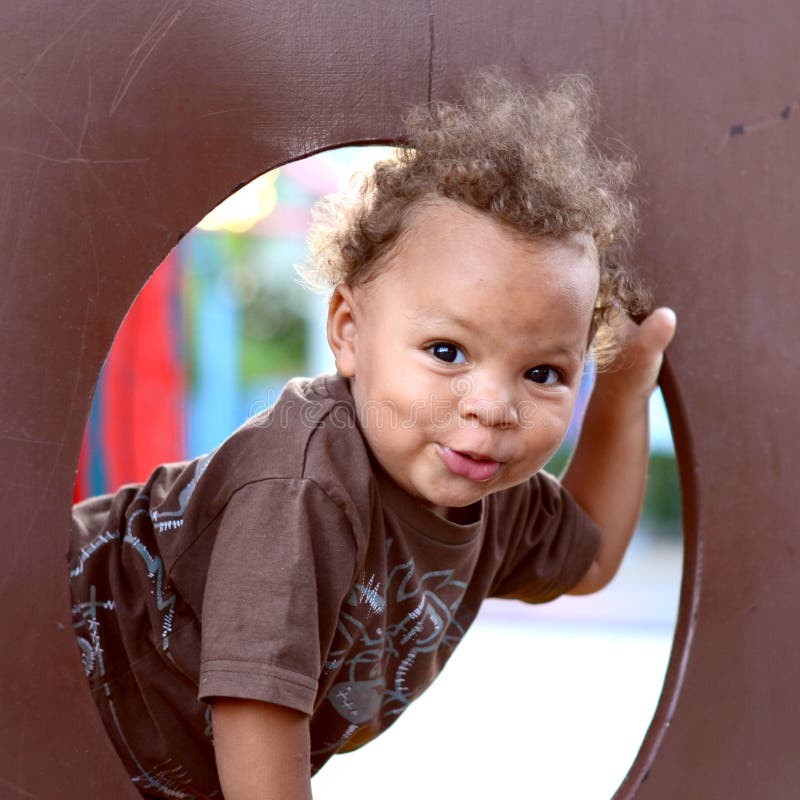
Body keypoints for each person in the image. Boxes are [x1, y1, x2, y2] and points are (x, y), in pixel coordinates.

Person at [69, 71, 676, 799]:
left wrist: (627, 387)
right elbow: (255, 711)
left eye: (544, 372)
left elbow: (591, 557)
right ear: (349, 333)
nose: (492, 407)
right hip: (48, 666)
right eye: (448, 352)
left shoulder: (479, 481)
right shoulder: (303, 487)